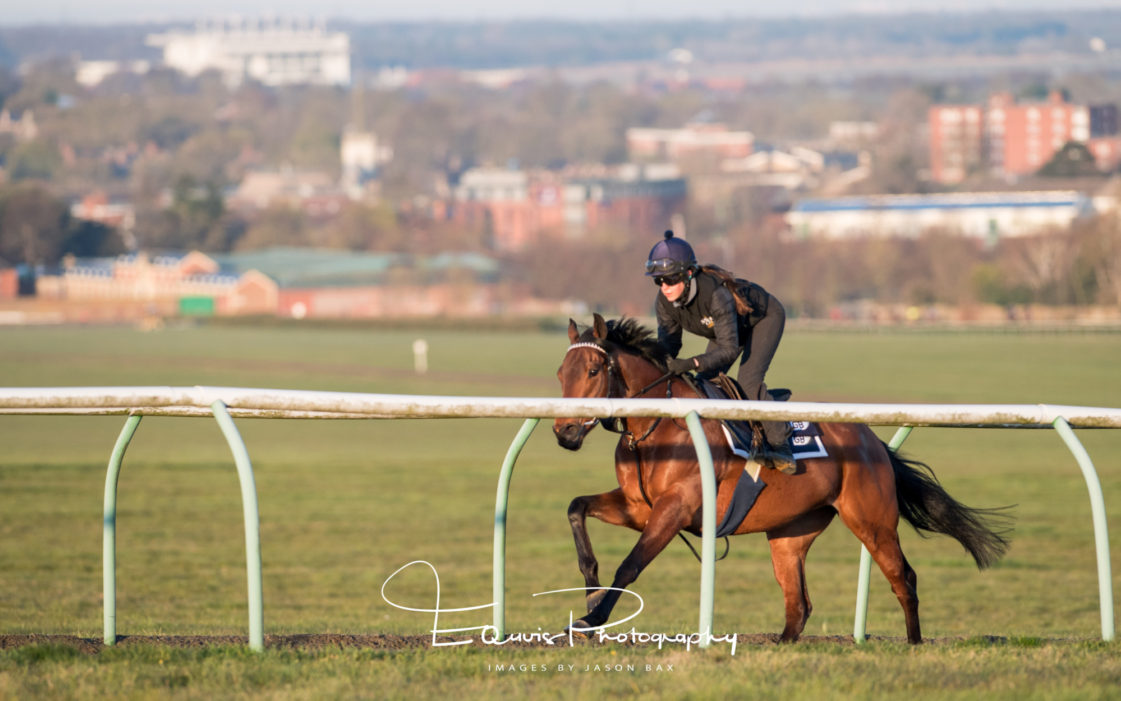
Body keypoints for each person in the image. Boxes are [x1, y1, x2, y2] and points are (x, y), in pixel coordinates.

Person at [646, 230, 795, 473]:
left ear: (689, 273)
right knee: (703, 385)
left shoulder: (715, 294)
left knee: (748, 381)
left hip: (763, 319)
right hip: (728, 330)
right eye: (658, 280)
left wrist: (691, 363)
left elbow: (727, 350)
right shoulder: (664, 302)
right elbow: (669, 345)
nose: (664, 286)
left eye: (670, 279)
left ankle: (780, 444)